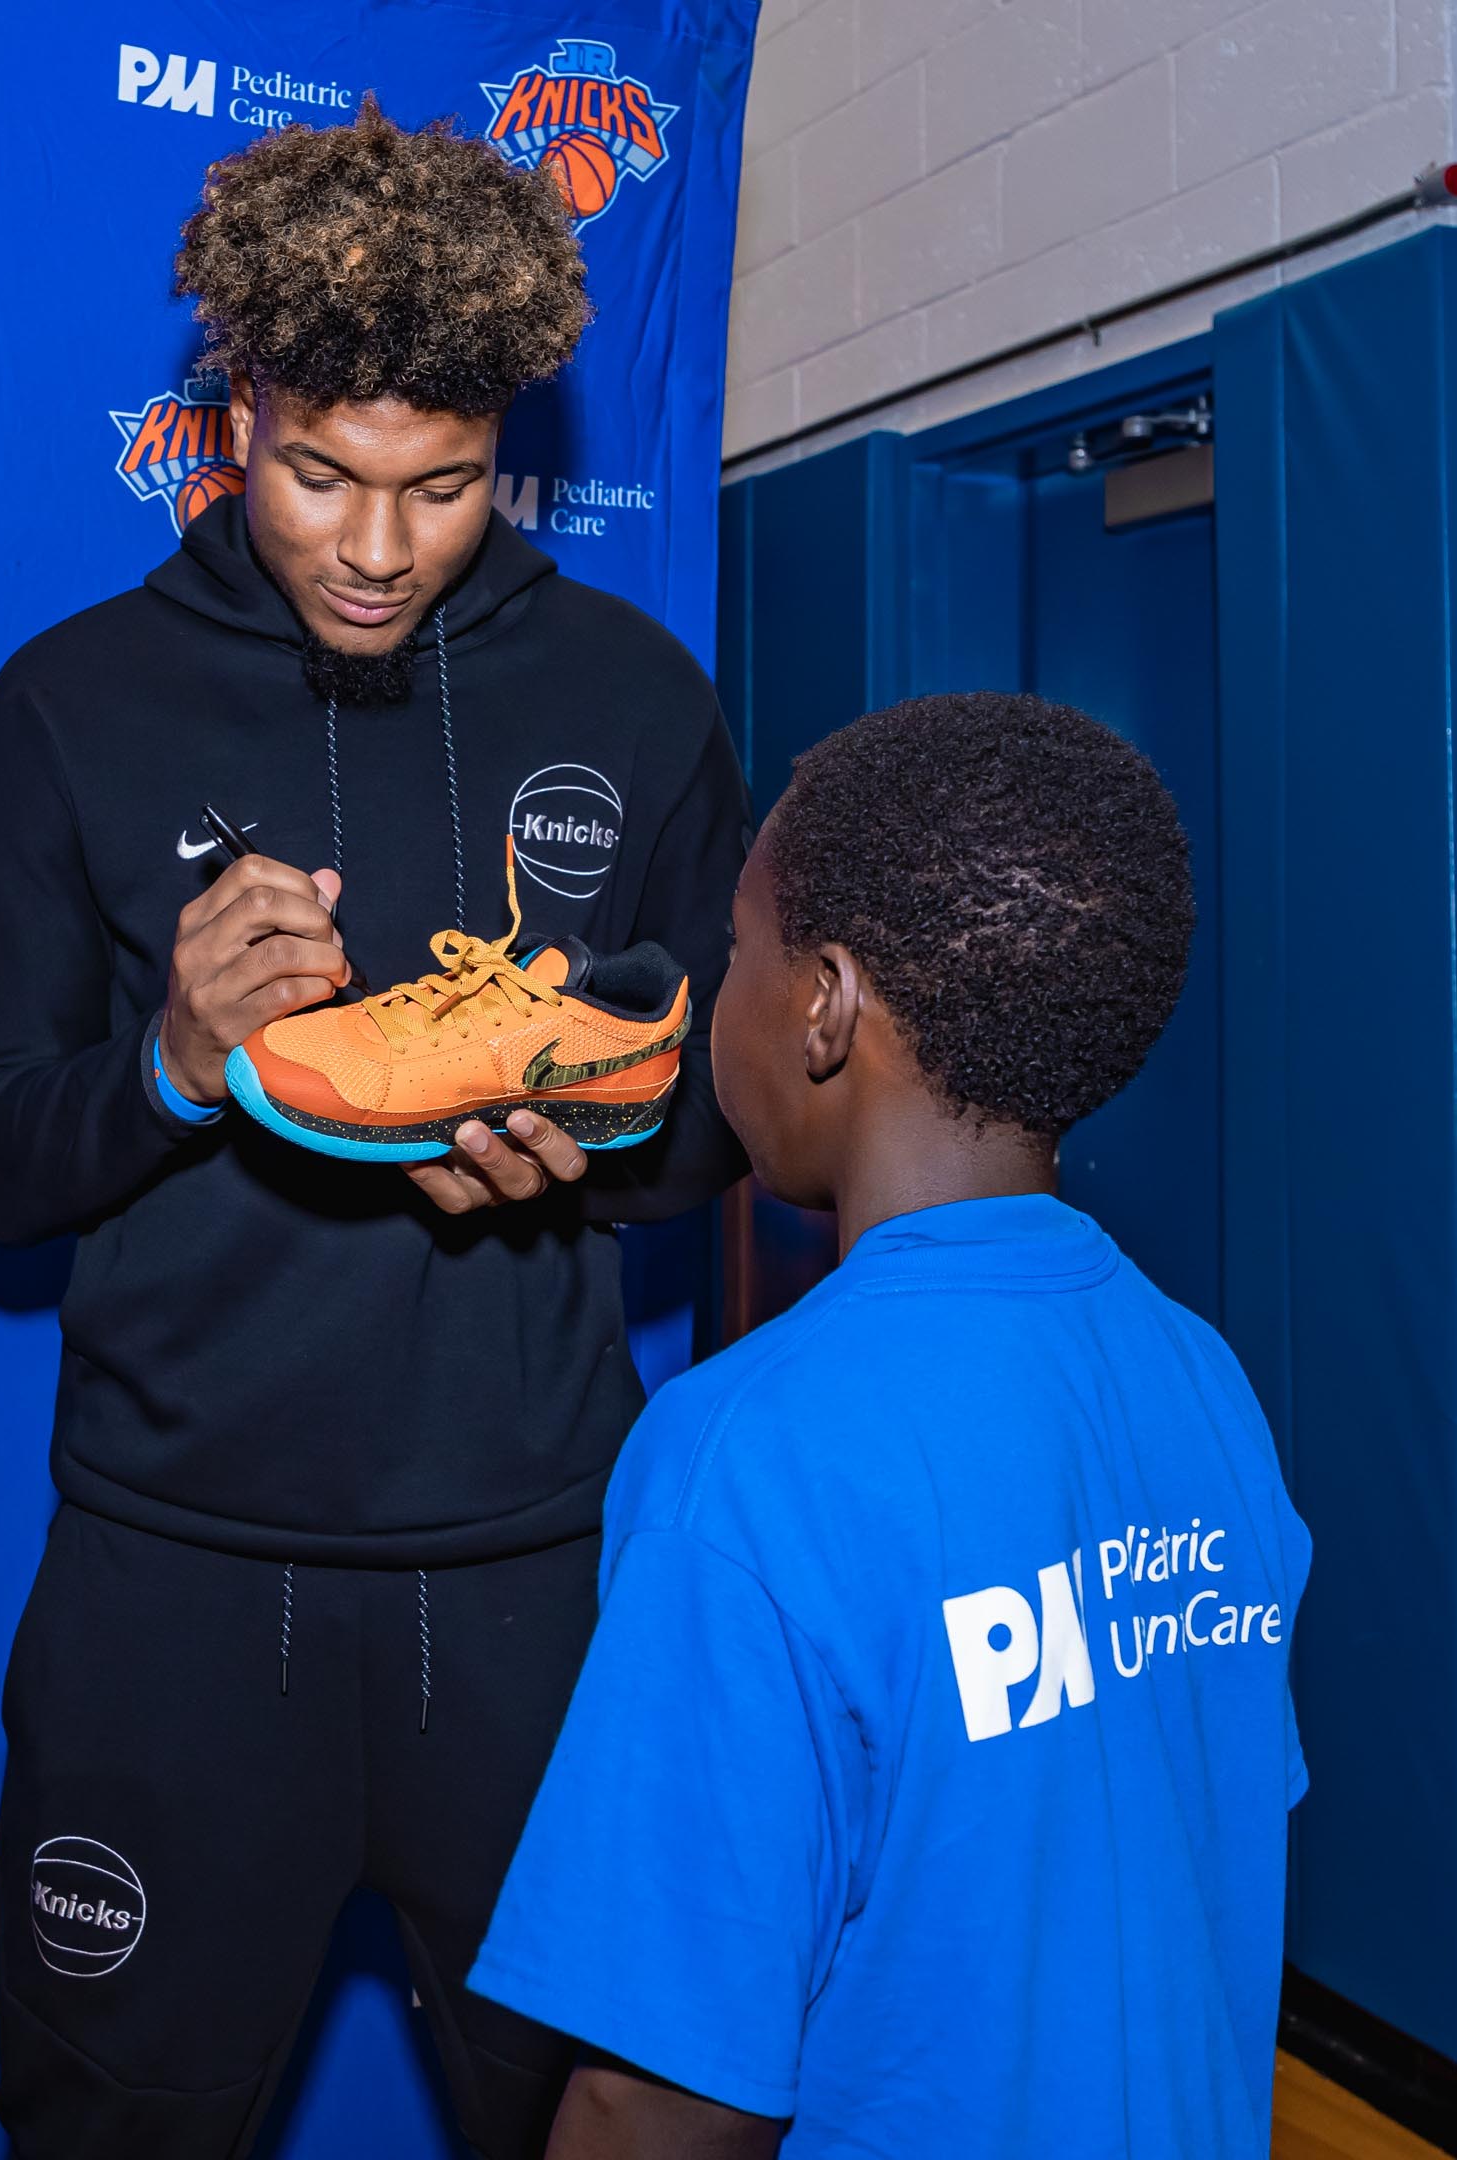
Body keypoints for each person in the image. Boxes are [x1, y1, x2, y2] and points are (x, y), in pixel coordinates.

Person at [0, 97, 750, 2160]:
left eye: (441, 488)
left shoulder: (638, 696)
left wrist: (600, 1156)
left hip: (533, 1580)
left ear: (503, 456)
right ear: (235, 423)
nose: (376, 550)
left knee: (605, 2132)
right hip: (172, 1595)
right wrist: (173, 1066)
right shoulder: (71, 706)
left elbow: (716, 1120)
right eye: (319, 475)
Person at [469, 694, 1313, 2159]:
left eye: (738, 953)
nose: (717, 991)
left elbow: (657, 2092)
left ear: (827, 1005)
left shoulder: (744, 1457)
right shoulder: (1202, 1377)